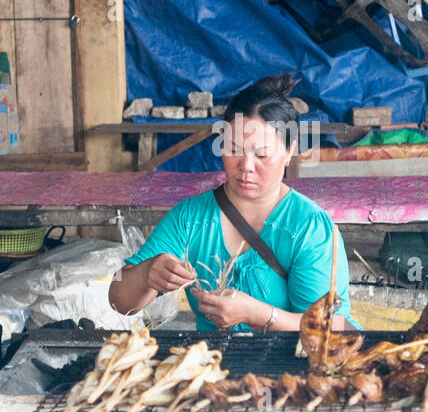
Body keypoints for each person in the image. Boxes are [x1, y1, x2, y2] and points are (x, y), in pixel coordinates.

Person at [109, 74, 356, 332]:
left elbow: (330, 328)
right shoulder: (190, 218)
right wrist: (147, 273)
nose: (246, 166)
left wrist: (256, 314)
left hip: (296, 366)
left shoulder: (308, 227)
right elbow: (118, 299)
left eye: (261, 154)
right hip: (216, 365)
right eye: (234, 149)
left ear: (289, 151)